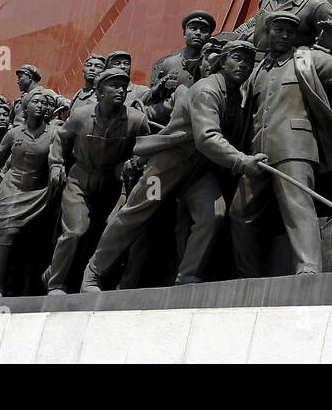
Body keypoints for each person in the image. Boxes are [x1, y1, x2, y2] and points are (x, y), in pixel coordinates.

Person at [80, 39, 266, 291]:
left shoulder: (237, 96)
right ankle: (93, 273)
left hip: (199, 171)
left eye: (248, 60)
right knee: (136, 213)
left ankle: (188, 276)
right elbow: (207, 137)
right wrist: (243, 162)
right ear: (223, 61)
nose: (243, 65)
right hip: (168, 166)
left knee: (214, 214)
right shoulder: (207, 90)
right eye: (237, 58)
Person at [231, 13, 332, 276]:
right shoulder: (257, 70)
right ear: (267, 33)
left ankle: (308, 267)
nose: (284, 35)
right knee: (239, 212)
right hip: (258, 152)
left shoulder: (307, 59)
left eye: (289, 32)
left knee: (298, 205)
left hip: (296, 147)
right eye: (278, 30)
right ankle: (249, 275)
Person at [43, 66, 151, 293]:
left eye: (123, 86)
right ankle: (56, 283)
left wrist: (131, 162)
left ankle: (87, 282)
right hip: (79, 180)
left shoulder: (136, 119)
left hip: (110, 183)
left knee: (100, 234)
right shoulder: (81, 115)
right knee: (75, 230)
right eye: (114, 86)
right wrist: (55, 164)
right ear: (100, 92)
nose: (121, 91)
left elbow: (145, 148)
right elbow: (61, 139)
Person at [0, 88, 60, 297]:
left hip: (37, 192)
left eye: (44, 102)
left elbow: (56, 158)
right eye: (35, 101)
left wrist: (57, 170)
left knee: (33, 240)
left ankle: (27, 288)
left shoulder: (53, 132)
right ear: (25, 107)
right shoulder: (13, 133)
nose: (40, 105)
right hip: (12, 189)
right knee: (6, 235)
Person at [144, 13, 215, 125]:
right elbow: (155, 96)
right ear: (184, 34)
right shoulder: (169, 63)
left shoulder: (211, 64)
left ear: (209, 36)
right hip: (166, 121)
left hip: (197, 121)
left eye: (203, 30)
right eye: (193, 29)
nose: (198, 33)